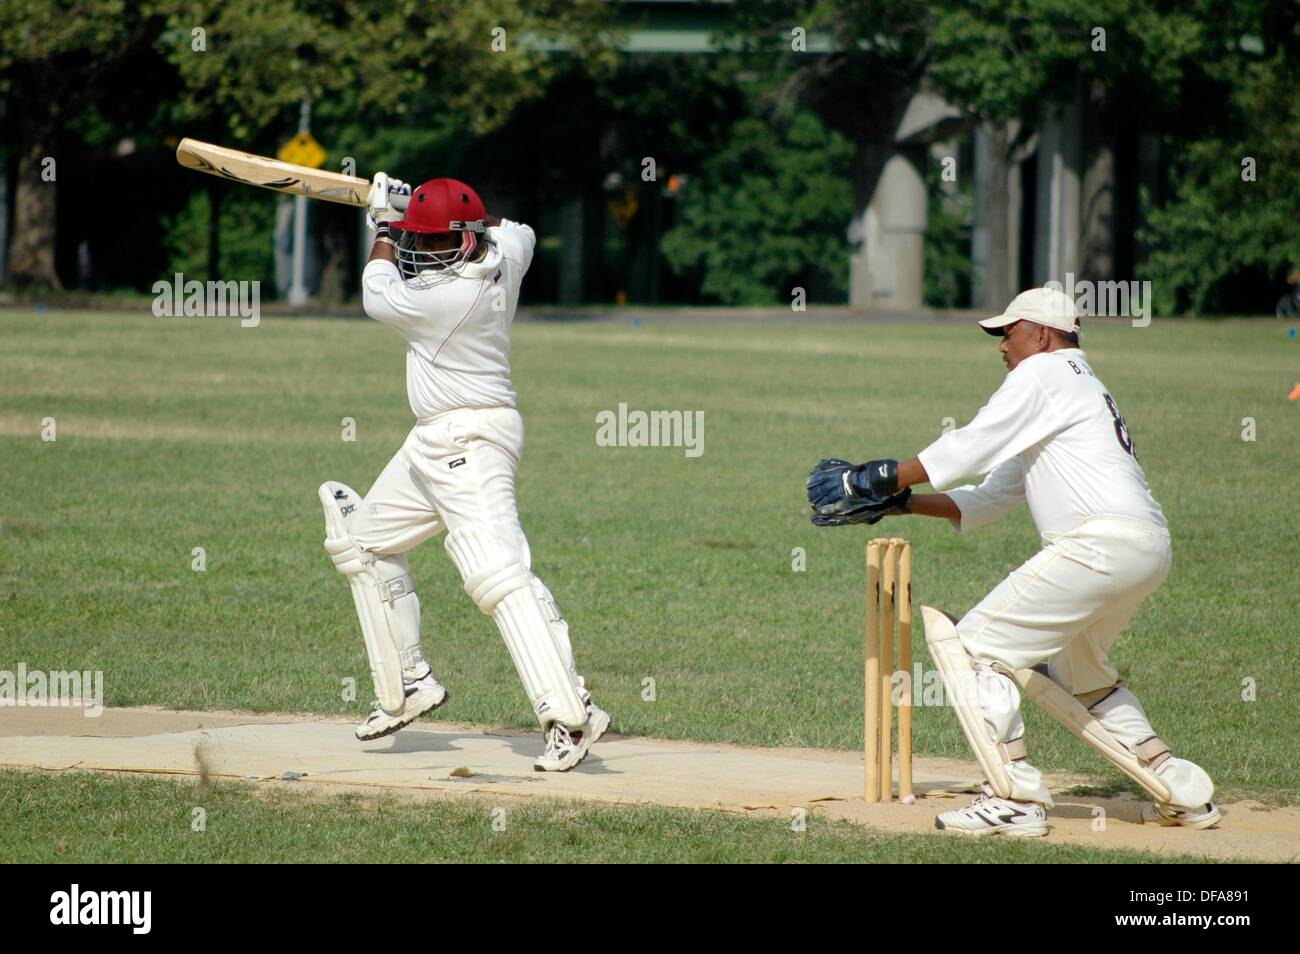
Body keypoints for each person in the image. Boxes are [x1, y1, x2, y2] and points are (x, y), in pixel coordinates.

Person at [807, 286, 1217, 836]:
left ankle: (1013, 799)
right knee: (1082, 677)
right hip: (1144, 547)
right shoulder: (1082, 386)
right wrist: (902, 504)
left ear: (1041, 334)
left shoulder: (1042, 375)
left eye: (1009, 332)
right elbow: (994, 493)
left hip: (1094, 546)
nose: (1001, 346)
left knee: (974, 646)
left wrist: (874, 478)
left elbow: (969, 445)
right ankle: (1183, 790)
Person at [319, 173, 608, 772]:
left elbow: (374, 289)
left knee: (498, 576)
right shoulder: (509, 250)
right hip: (432, 441)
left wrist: (382, 222)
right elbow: (514, 227)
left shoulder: (440, 299)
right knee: (364, 541)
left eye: (425, 243)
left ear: (461, 242)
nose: (419, 252)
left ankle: (569, 718)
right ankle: (409, 684)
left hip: (470, 441)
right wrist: (425, 213)